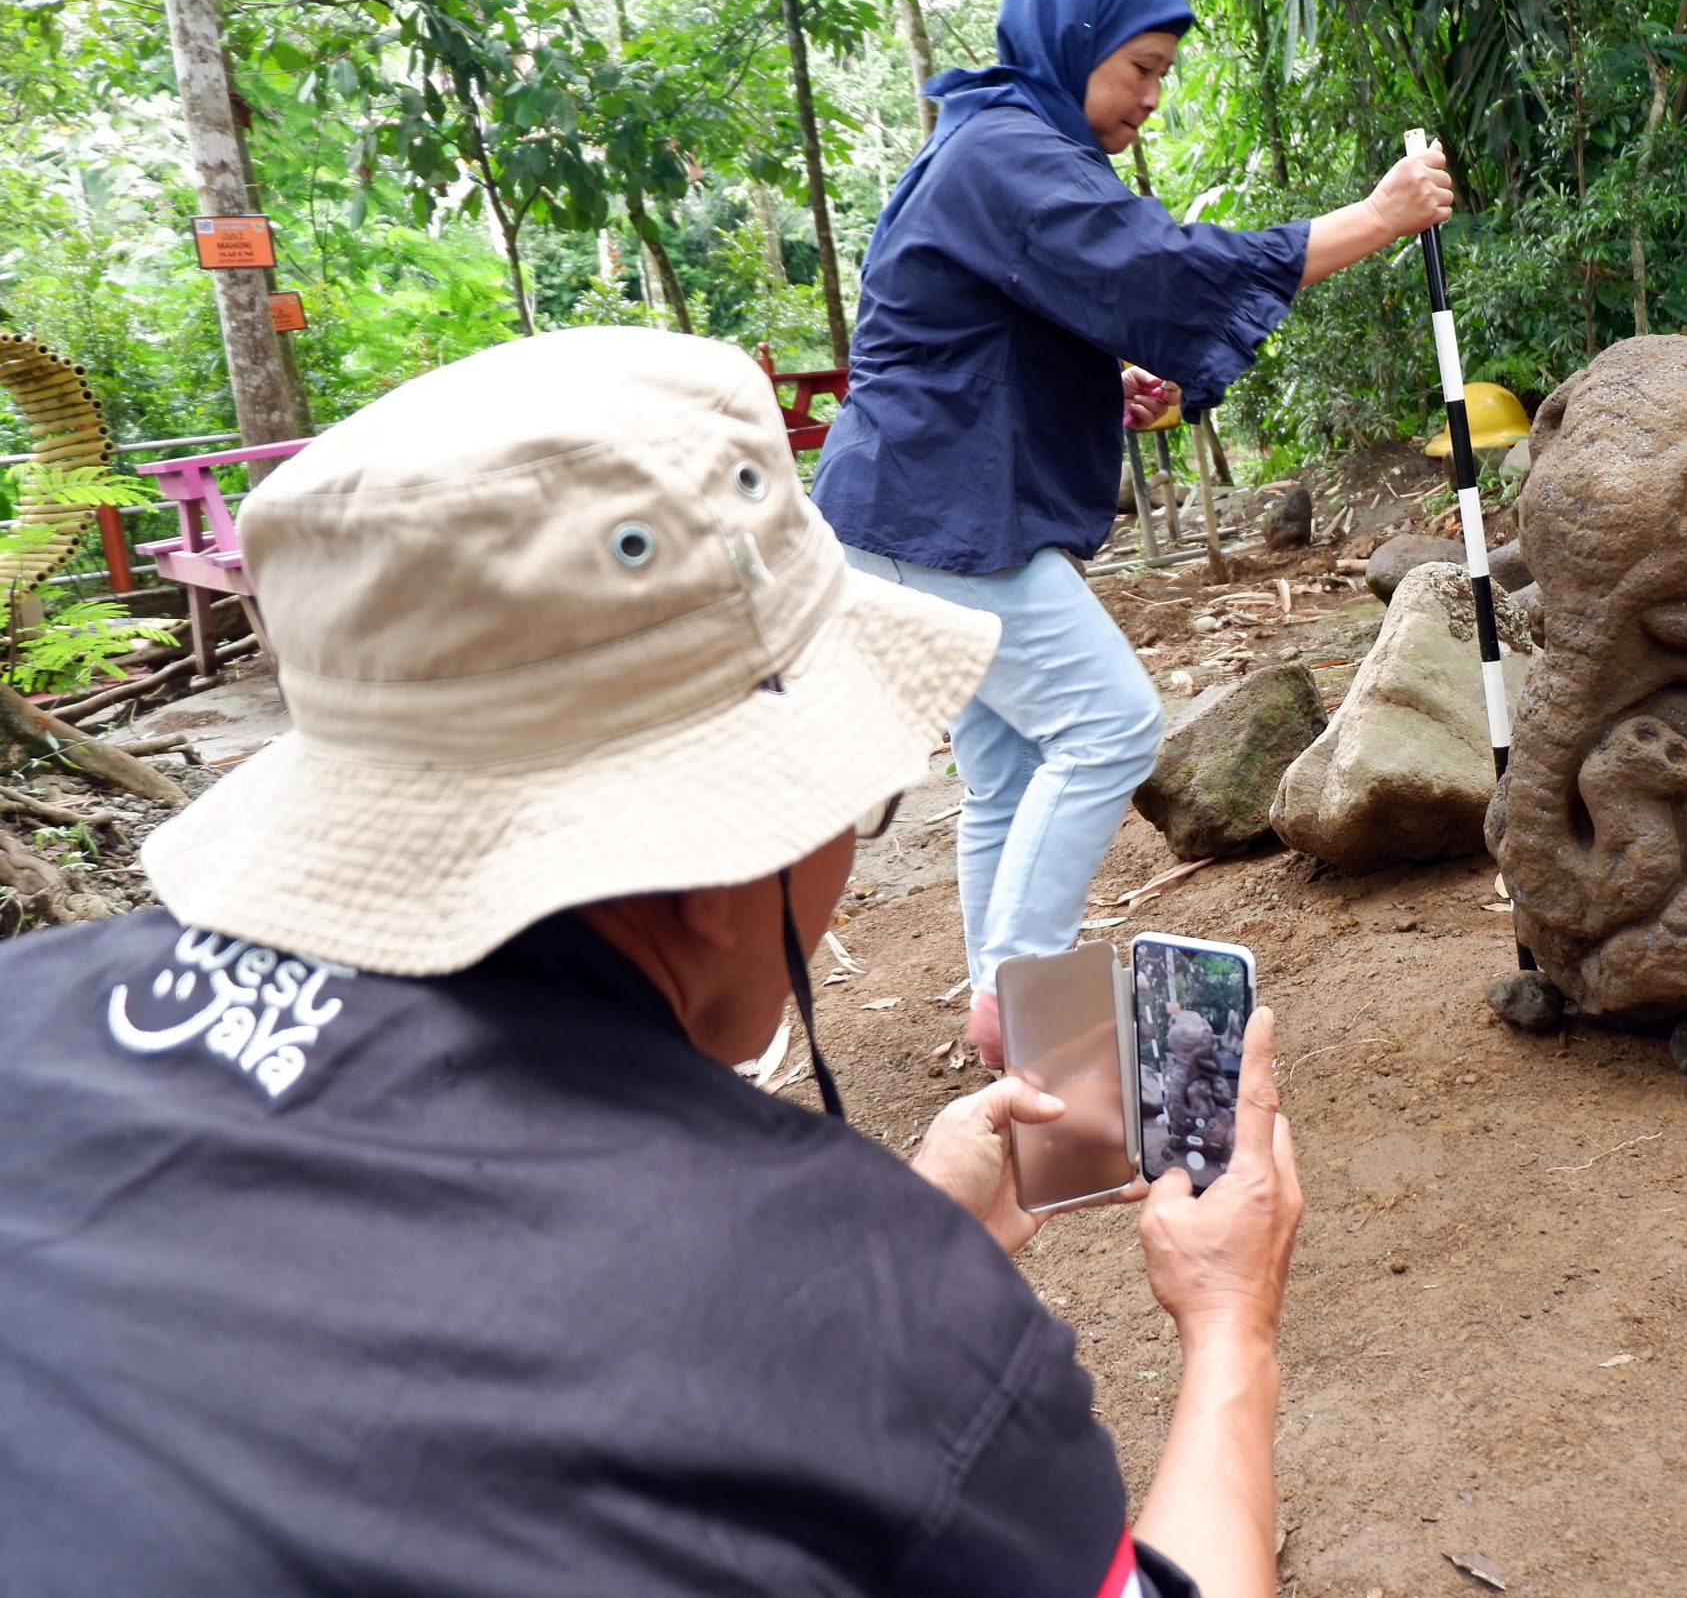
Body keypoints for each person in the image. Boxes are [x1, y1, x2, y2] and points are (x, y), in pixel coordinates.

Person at [0, 329, 1304, 1598]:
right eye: (857, 802)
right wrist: (1227, 1310)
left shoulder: (30, 1006)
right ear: (713, 871)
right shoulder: (877, 1305)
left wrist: (893, 1241)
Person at [813, 0, 1455, 1067]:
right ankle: (1022, 1004)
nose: (1151, 100)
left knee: (1010, 769)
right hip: (933, 522)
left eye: (1161, 76)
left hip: (906, 510)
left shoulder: (999, 139)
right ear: (1073, 49)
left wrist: (1109, 383)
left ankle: (1001, 1001)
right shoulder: (1007, 152)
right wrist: (1375, 218)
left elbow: (984, 328)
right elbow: (1156, 269)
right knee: (1112, 727)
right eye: (1142, 69)